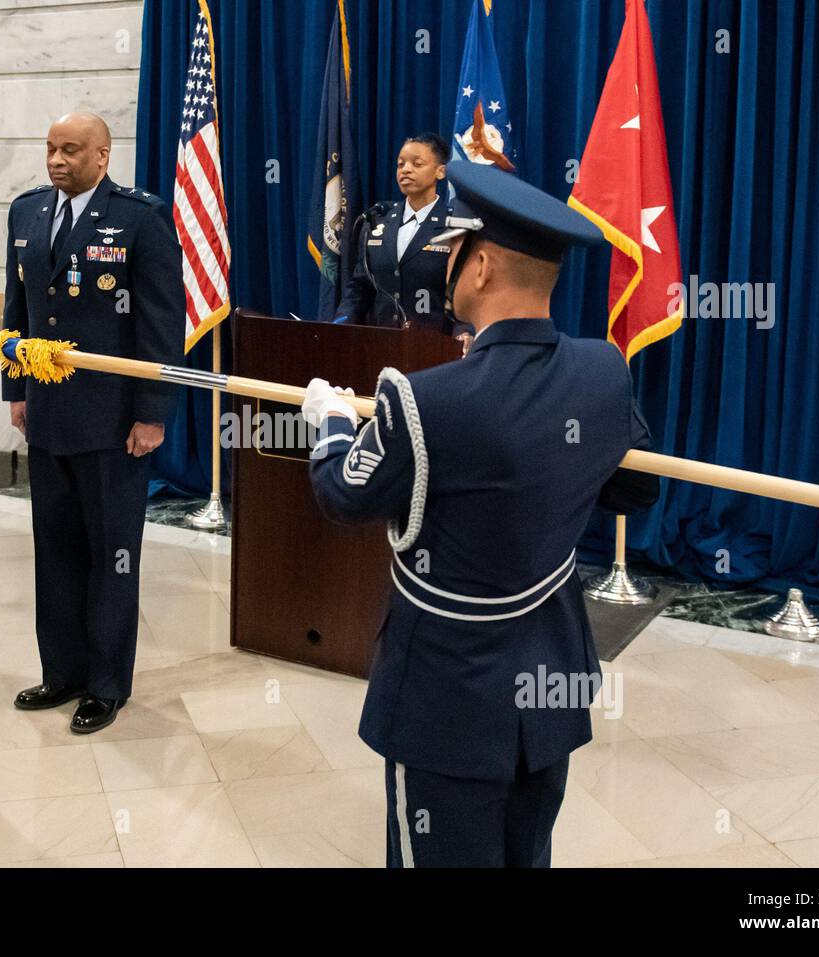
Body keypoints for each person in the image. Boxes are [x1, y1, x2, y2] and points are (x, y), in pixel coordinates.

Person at [301, 160, 661, 867]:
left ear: (484, 266)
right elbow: (634, 491)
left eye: (454, 250)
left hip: (447, 700)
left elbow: (345, 495)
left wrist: (333, 422)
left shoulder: (424, 401)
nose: (447, 265)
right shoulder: (603, 373)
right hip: (548, 686)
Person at [2, 112, 184, 734]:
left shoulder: (141, 218)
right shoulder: (26, 213)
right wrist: (15, 389)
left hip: (113, 421)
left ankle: (106, 682)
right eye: (50, 148)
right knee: (55, 549)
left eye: (71, 150)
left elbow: (161, 324)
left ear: (103, 156)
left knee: (112, 555)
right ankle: (62, 671)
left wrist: (152, 415)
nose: (56, 160)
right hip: (48, 413)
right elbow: (18, 308)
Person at [334, 133, 473, 347]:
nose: (406, 169)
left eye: (417, 164)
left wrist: (463, 332)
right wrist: (340, 323)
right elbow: (361, 286)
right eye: (401, 164)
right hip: (379, 346)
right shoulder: (377, 220)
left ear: (441, 171)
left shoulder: (455, 225)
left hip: (434, 348)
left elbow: (465, 292)